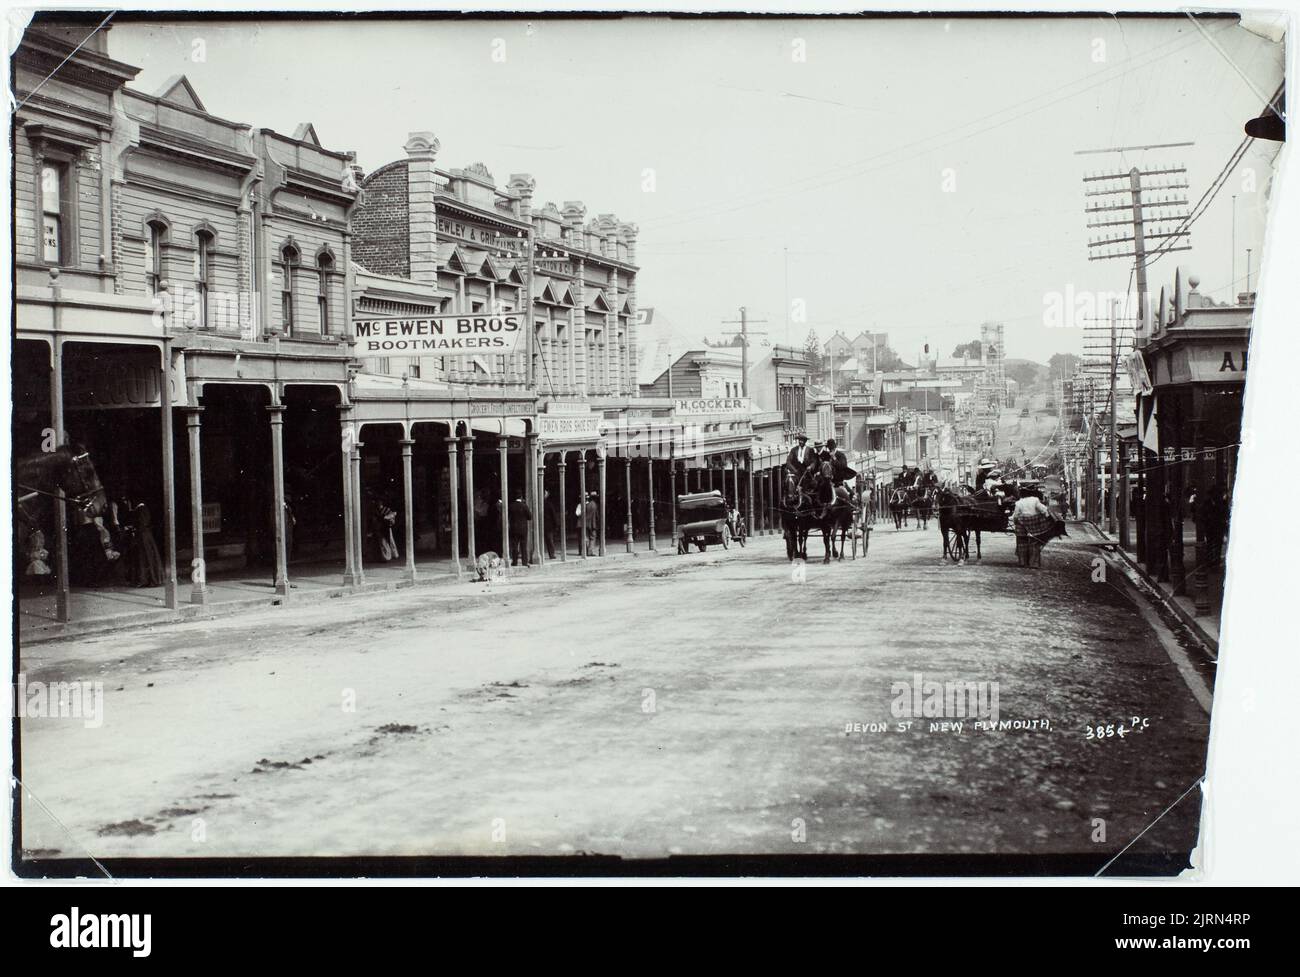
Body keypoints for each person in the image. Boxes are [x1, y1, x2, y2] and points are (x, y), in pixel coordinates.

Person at [1011, 489, 1055, 569]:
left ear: (1021, 495)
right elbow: (1043, 510)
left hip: (1022, 524)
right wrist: (1047, 518)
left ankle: (1022, 562)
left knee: (1021, 542)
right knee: (1034, 543)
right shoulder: (1035, 500)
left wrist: (1015, 522)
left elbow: (1016, 515)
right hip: (1034, 524)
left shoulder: (1018, 502)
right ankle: (1033, 563)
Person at [508, 491, 532, 566]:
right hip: (523, 529)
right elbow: (529, 517)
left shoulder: (511, 506)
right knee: (523, 546)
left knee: (515, 545)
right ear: (521, 497)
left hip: (514, 529)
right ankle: (524, 562)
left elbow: (508, 516)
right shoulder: (524, 506)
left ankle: (514, 562)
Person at [542, 489, 559, 559]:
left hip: (543, 524)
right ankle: (551, 554)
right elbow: (553, 515)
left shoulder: (538, 503)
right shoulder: (549, 504)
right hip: (548, 525)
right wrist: (556, 524)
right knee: (549, 540)